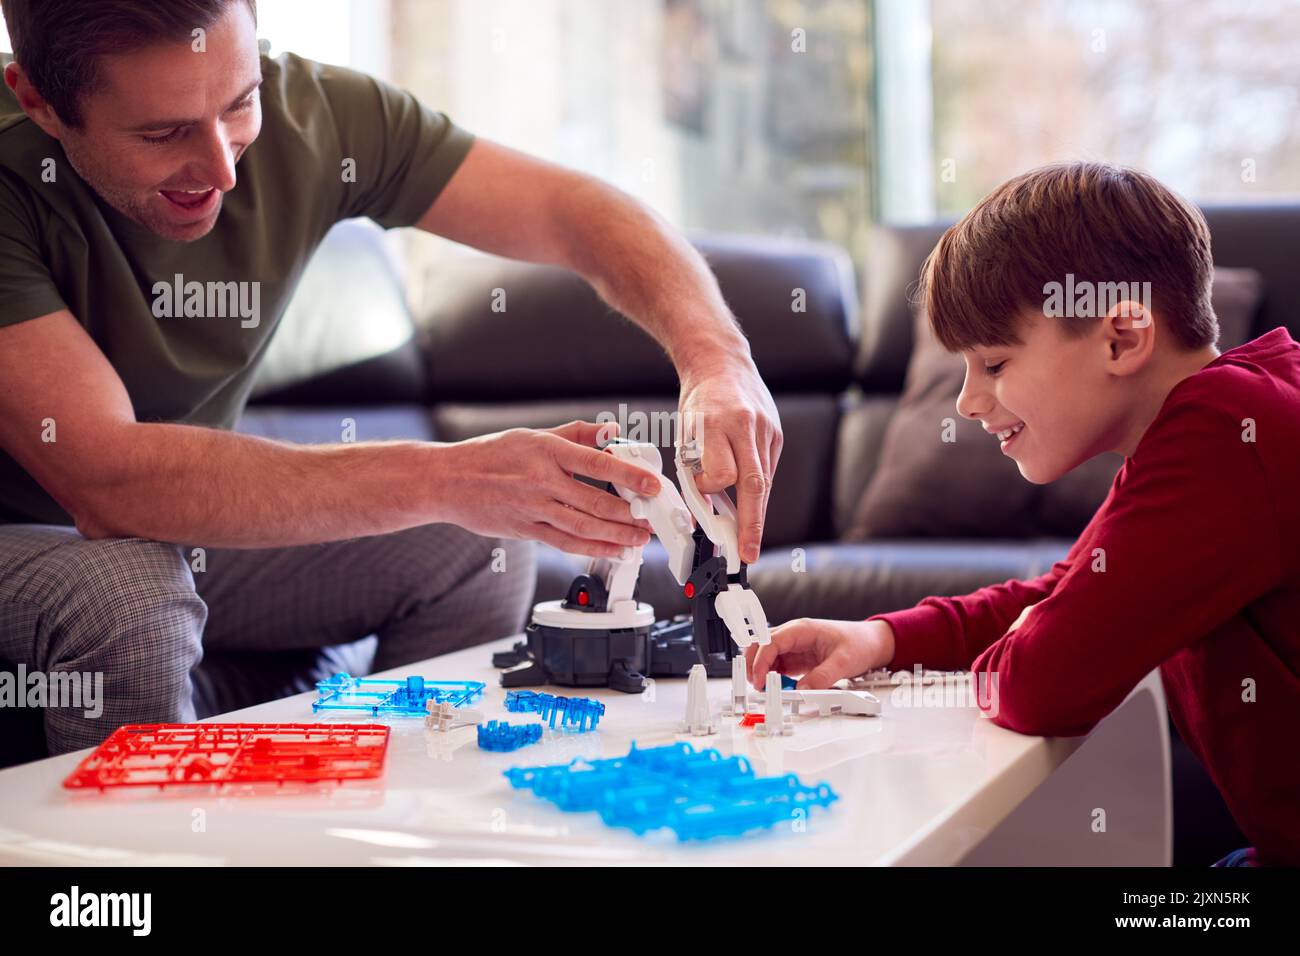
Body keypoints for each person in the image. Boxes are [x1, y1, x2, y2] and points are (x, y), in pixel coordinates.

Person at [0, 0, 781, 754]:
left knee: (482, 546)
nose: (221, 167)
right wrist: (451, 476)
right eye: (163, 132)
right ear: (37, 100)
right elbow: (108, 483)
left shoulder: (324, 116)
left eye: (240, 104)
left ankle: (392, 820)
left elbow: (572, 212)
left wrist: (717, 358)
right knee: (127, 594)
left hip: (168, 537)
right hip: (35, 540)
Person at [749, 162, 1299, 866]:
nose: (967, 401)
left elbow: (1041, 685)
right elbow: (1061, 594)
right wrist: (880, 639)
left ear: (1122, 338)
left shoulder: (1227, 434)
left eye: (996, 364)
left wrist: (1033, 641)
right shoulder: (1220, 420)